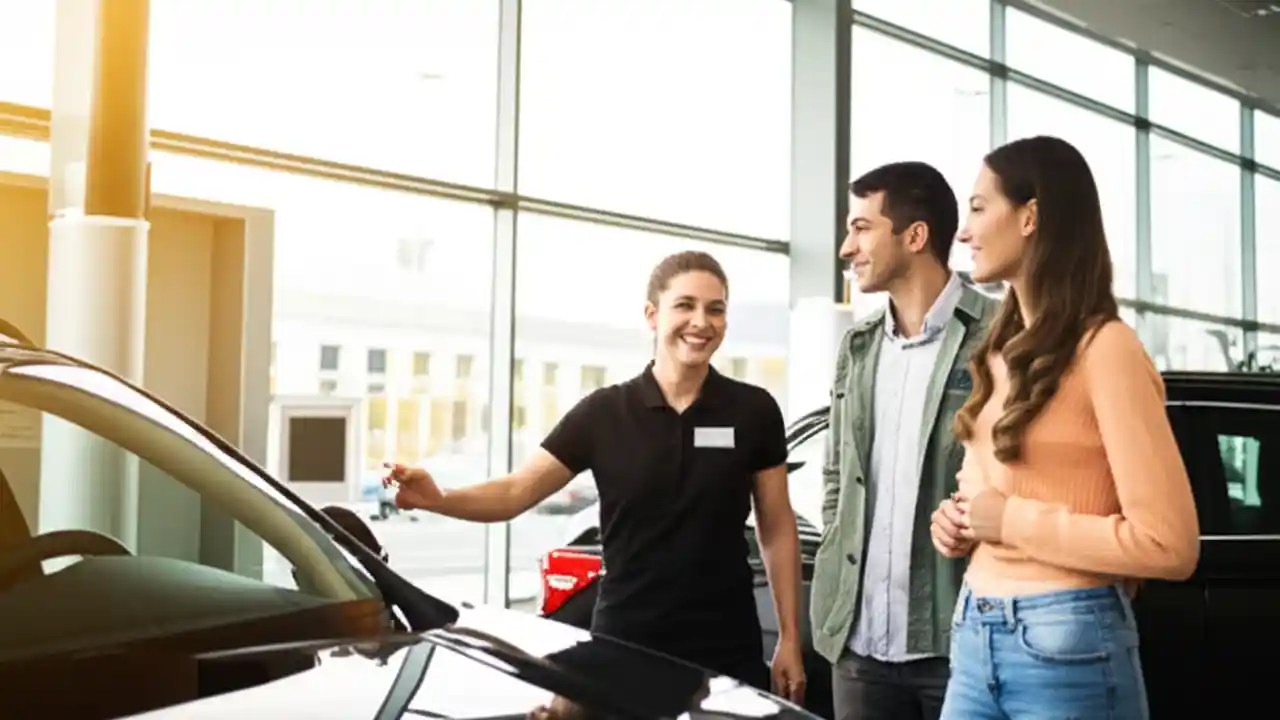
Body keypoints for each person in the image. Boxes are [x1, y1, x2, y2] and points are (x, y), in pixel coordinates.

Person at [383, 250, 806, 702]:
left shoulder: (754, 410)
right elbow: (515, 492)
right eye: (685, 305)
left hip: (727, 647)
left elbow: (776, 526)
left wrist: (789, 638)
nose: (701, 321)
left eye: (715, 309)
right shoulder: (605, 414)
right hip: (626, 643)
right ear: (652, 315)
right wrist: (438, 497)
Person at [930, 135, 1201, 719]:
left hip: (1067, 643)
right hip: (975, 628)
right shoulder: (998, 351)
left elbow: (1170, 545)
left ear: (1030, 216)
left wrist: (1011, 520)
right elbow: (988, 496)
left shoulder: (1107, 350)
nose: (963, 230)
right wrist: (958, 522)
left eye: (978, 207)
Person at [808, 161, 1000, 720]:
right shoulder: (859, 346)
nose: (848, 248)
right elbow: (837, 478)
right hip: (859, 647)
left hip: (960, 640)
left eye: (862, 228)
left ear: (915, 236)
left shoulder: (1000, 337)